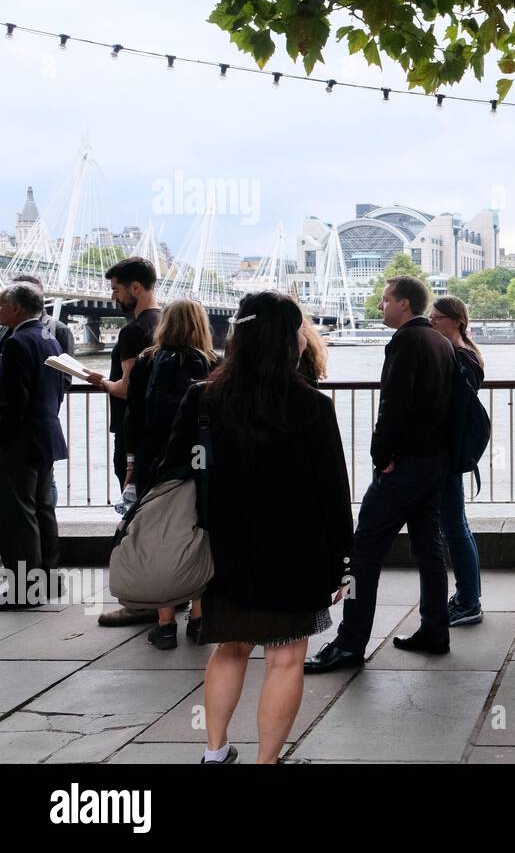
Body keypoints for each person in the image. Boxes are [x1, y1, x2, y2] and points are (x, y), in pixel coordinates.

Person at [156, 291, 352, 764]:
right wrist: (342, 564)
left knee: (230, 648)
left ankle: (215, 751)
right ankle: (267, 761)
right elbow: (333, 494)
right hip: (296, 552)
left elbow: (171, 472)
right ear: (288, 341)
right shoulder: (312, 407)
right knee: (286, 659)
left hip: (223, 550)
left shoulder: (203, 398)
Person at [306, 276, 457, 672]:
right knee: (429, 547)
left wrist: (381, 453)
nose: (380, 306)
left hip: (404, 464)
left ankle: (350, 642)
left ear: (404, 303)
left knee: (363, 552)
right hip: (434, 461)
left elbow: (394, 403)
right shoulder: (440, 341)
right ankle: (435, 630)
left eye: (386, 299)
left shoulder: (406, 341)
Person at [125, 299, 218, 649]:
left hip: (155, 458)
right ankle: (199, 618)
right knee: (201, 532)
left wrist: (131, 463)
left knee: (159, 534)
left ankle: (165, 624)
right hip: (200, 459)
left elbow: (133, 416)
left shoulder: (147, 361)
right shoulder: (213, 362)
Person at [88, 257, 165, 628]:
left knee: (136, 517)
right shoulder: (166, 322)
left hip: (135, 436)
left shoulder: (133, 332)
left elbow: (128, 389)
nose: (113, 297)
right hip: (165, 435)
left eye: (116, 289)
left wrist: (100, 381)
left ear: (136, 287)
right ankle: (173, 593)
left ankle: (143, 601)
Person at [0, 282, 67, 608]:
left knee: (18, 515)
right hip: (46, 434)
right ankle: (49, 580)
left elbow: (14, 400)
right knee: (43, 509)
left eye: (2, 305)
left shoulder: (16, 342)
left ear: (16, 308)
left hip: (21, 440)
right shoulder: (49, 338)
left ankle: (25, 590)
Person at [430, 295, 486, 627]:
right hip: (452, 451)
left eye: (436, 318)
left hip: (446, 453)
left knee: (453, 527)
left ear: (456, 321)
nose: (431, 322)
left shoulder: (459, 358)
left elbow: (451, 408)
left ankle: (468, 600)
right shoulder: (466, 354)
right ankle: (468, 597)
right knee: (456, 526)